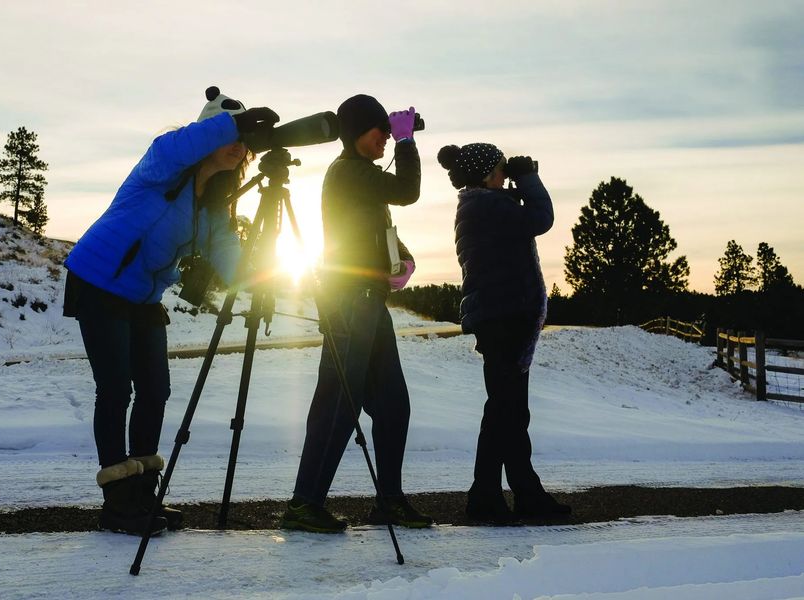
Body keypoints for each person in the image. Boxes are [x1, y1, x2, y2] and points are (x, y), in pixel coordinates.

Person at [62, 86, 279, 536]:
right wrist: (236, 121)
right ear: (208, 132)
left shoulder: (212, 209)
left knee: (156, 389)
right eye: (230, 133)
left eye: (245, 143)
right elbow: (176, 145)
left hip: (142, 297)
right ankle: (117, 502)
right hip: (98, 282)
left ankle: (142, 491)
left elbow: (229, 257)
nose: (240, 146)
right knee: (116, 388)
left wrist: (262, 285)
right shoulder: (162, 168)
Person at [280, 94, 432, 533]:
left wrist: (398, 258)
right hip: (350, 301)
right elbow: (408, 190)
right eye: (380, 131)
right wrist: (407, 143)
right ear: (356, 133)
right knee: (338, 401)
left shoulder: (359, 177)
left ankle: (389, 500)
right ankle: (304, 504)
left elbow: (372, 229)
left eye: (390, 132)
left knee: (392, 406)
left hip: (368, 299)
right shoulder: (349, 171)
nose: (386, 137)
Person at [437, 142, 571, 524]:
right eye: (500, 169)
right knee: (505, 412)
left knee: (508, 411)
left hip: (501, 316)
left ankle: (509, 494)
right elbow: (541, 218)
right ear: (486, 175)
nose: (504, 173)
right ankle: (495, 498)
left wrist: (515, 180)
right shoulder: (488, 206)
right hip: (505, 317)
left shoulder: (481, 205)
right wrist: (527, 176)